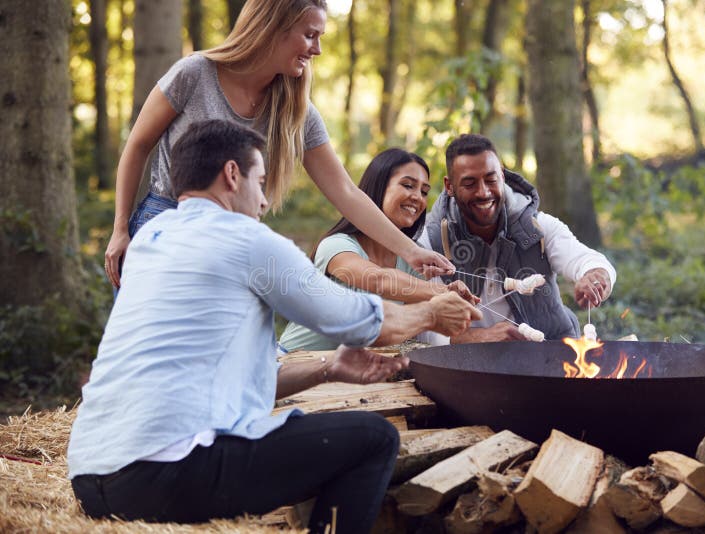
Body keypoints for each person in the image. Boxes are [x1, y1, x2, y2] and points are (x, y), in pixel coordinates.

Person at [68, 120, 481, 533]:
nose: (264, 202)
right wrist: (431, 313)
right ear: (232, 175)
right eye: (261, 182)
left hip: (90, 475)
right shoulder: (247, 240)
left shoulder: (151, 238)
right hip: (169, 471)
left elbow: (238, 377)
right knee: (375, 439)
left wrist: (329, 368)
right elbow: (360, 321)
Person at [103, 0, 452, 289]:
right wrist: (120, 229)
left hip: (237, 240)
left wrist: (412, 252)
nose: (316, 49)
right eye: (310, 35)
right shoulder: (194, 74)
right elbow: (137, 145)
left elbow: (345, 191)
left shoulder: (296, 112)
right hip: (165, 223)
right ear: (273, 28)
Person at [418, 134, 616, 344]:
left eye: (491, 179)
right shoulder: (431, 240)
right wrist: (475, 338)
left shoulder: (537, 226)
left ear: (502, 176)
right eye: (470, 183)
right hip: (469, 369)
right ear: (449, 186)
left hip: (549, 363)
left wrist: (595, 277)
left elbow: (589, 261)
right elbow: (421, 325)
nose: (483, 192)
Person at [280, 148, 479, 351]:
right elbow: (378, 280)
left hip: (343, 373)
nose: (418, 197)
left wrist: (448, 302)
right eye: (408, 185)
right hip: (292, 362)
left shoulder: (413, 261)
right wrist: (443, 291)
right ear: (379, 186)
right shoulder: (337, 245)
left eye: (424, 191)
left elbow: (403, 326)